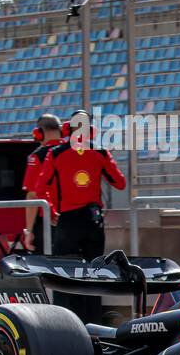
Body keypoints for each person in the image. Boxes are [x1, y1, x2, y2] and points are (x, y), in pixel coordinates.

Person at [34, 110, 127, 322]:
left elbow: (40, 188)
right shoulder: (100, 152)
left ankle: (64, 323)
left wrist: (51, 210)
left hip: (67, 220)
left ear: (67, 129)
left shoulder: (56, 153)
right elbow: (119, 183)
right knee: (94, 274)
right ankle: (93, 324)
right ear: (90, 129)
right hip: (93, 221)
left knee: (63, 274)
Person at [22, 113, 65, 253]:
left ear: (39, 133)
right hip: (75, 218)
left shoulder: (38, 156)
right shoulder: (74, 151)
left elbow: (32, 196)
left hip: (48, 222)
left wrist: (28, 231)